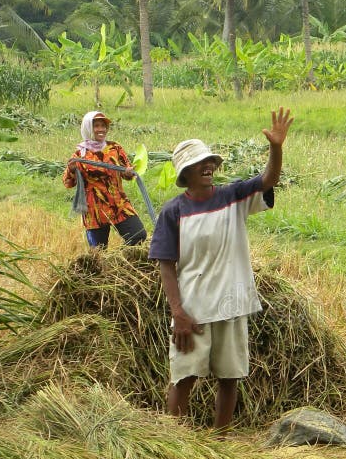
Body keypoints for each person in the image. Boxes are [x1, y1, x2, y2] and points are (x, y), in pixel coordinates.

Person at [148, 107, 293, 435]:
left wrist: (276, 147)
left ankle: (221, 442)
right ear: (186, 172)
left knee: (229, 377)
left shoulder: (233, 197)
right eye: (201, 164)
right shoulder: (174, 211)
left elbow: (269, 180)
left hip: (231, 303)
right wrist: (178, 311)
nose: (209, 167)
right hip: (193, 309)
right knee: (184, 376)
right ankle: (175, 443)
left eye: (210, 162)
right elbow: (166, 264)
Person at [62, 111, 147, 248]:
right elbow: (68, 182)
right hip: (95, 210)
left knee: (138, 236)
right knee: (99, 252)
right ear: (88, 128)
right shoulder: (80, 154)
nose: (101, 129)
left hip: (119, 204)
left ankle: (122, 261)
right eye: (96, 126)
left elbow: (126, 171)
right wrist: (71, 169)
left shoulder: (115, 148)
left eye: (103, 126)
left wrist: (129, 173)